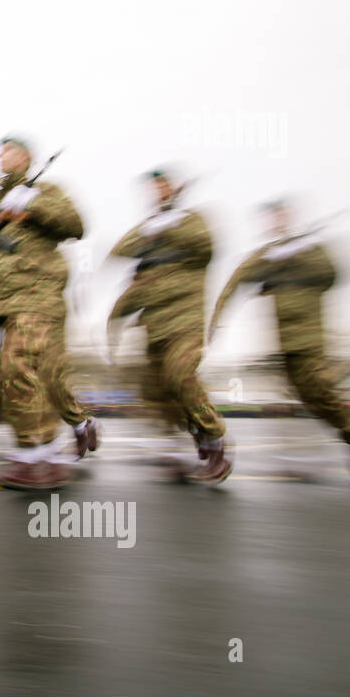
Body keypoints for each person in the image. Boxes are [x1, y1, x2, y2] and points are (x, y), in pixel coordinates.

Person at [0, 137, 94, 490]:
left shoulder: (47, 190)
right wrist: (1, 212)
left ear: (26, 158)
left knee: (21, 365)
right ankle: (68, 431)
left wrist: (32, 206)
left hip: (36, 294)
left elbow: (75, 225)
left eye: (7, 151)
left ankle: (41, 455)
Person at [209, 199, 350, 477]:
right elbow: (235, 281)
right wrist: (215, 323)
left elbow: (332, 274)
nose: (276, 221)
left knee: (320, 391)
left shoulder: (311, 250)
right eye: (271, 218)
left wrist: (299, 257)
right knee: (304, 399)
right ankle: (314, 451)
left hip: (310, 339)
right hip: (282, 343)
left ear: (290, 218)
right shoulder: (266, 254)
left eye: (280, 216)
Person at [107, 169, 229, 482]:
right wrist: (114, 327)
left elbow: (207, 246)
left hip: (184, 321)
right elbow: (120, 251)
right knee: (158, 394)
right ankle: (183, 442)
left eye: (162, 185)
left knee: (181, 376)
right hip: (154, 326)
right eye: (153, 187)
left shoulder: (191, 221)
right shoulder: (149, 231)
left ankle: (215, 441)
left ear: (173, 187)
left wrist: (173, 226)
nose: (157, 191)